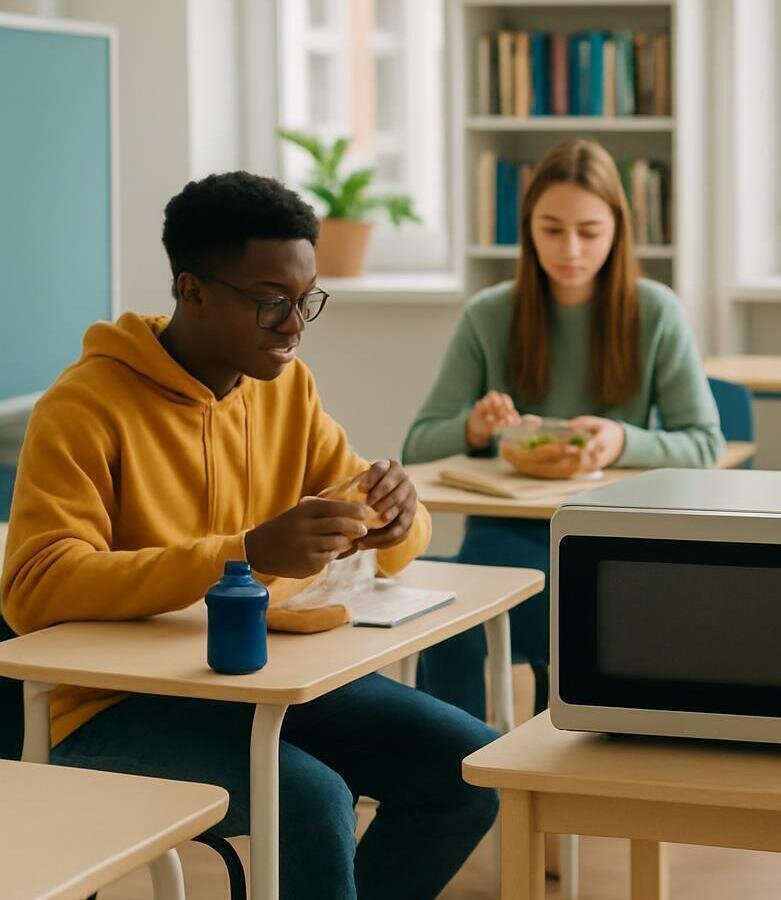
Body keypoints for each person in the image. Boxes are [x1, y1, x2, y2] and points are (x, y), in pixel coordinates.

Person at [2, 171, 499, 899]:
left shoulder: (286, 389)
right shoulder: (83, 407)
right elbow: (33, 590)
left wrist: (396, 513)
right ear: (192, 290)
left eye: (307, 301)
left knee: (473, 770)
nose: (294, 325)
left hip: (262, 684)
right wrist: (246, 555)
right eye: (272, 302)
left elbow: (383, 526)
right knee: (311, 800)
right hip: (108, 706)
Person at [404, 139, 723, 719]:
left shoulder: (655, 311)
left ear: (618, 231)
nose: (570, 249)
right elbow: (419, 444)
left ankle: (573, 763)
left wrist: (622, 439)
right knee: (450, 622)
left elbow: (703, 442)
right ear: (528, 230)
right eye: (551, 230)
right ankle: (461, 782)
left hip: (615, 535)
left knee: (582, 606)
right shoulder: (490, 314)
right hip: (505, 536)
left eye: (589, 231)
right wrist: (474, 428)